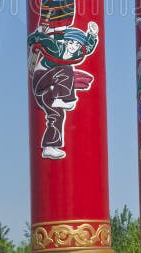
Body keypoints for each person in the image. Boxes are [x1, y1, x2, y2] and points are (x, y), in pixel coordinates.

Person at [28, 21, 98, 159]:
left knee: (57, 113)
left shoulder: (77, 52)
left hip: (50, 91)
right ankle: (62, 98)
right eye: (71, 43)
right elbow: (41, 39)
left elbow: (88, 48)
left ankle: (49, 146)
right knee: (66, 69)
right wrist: (34, 38)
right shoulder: (55, 47)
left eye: (77, 44)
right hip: (41, 79)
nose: (73, 47)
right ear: (65, 42)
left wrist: (92, 34)